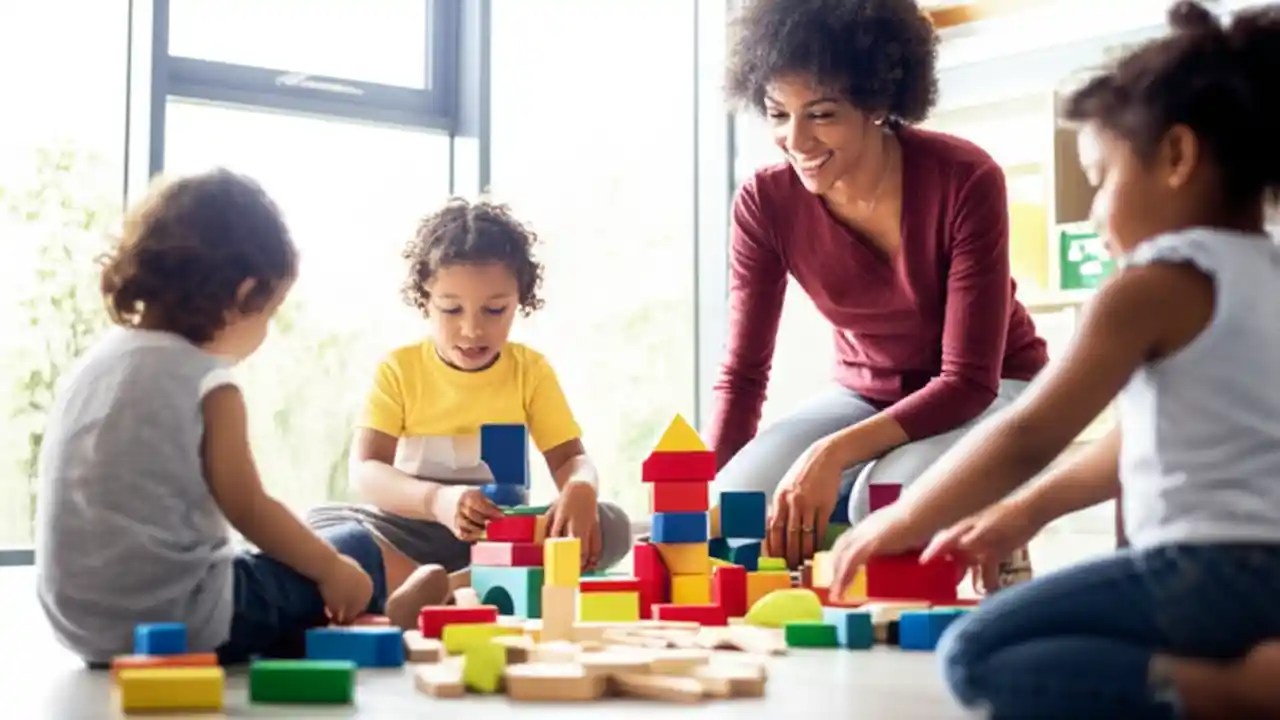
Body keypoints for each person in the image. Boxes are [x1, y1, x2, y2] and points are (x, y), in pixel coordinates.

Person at [828, 2, 1280, 717]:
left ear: (1177, 157)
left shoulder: (1150, 286)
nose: (1096, 213)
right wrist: (1021, 515)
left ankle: (1235, 692)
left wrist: (903, 518)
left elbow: (1028, 432)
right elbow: (1130, 446)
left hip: (1203, 570)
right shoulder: (1266, 275)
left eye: (1100, 178)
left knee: (977, 653)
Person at [35, 169, 445, 667]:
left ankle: (346, 619)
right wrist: (332, 569)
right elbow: (248, 506)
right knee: (353, 547)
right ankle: (390, 619)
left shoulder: (97, 365)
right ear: (246, 293)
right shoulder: (209, 382)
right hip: (183, 618)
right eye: (269, 312)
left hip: (80, 624)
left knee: (279, 569)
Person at [709, 0, 1049, 570]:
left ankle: (996, 529)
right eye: (777, 114)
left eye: (821, 114)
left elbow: (967, 381)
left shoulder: (965, 178)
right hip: (866, 392)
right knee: (737, 500)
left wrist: (832, 453)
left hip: (996, 386)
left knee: (884, 499)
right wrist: (701, 501)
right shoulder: (764, 203)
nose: (796, 140)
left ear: (877, 102)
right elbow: (743, 375)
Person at [307, 197, 632, 600]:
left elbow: (570, 459)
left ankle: (444, 587)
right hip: (410, 532)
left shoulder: (530, 372)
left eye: (494, 310)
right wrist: (437, 501)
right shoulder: (400, 369)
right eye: (451, 309)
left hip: (504, 533)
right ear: (425, 299)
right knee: (324, 527)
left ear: (520, 301)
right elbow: (367, 470)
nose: (472, 329)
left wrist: (581, 487)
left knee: (613, 524)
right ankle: (442, 584)